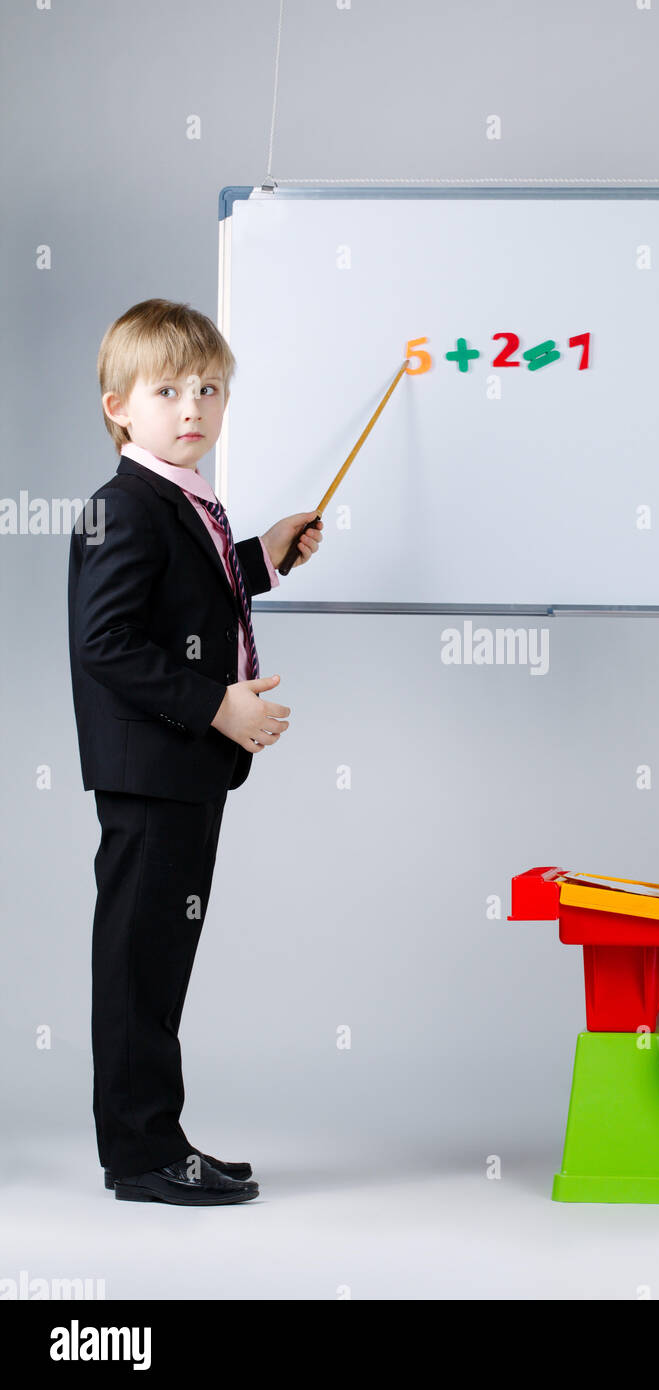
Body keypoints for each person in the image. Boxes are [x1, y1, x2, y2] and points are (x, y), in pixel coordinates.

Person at [68, 298, 323, 1205]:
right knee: (138, 967)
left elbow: (191, 594)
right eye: (168, 389)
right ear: (118, 407)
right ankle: (141, 1156)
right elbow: (109, 644)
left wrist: (263, 555)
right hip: (152, 773)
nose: (193, 407)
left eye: (209, 389)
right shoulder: (123, 508)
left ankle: (156, 1139)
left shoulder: (181, 502)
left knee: (159, 963)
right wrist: (218, 704)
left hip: (180, 775)